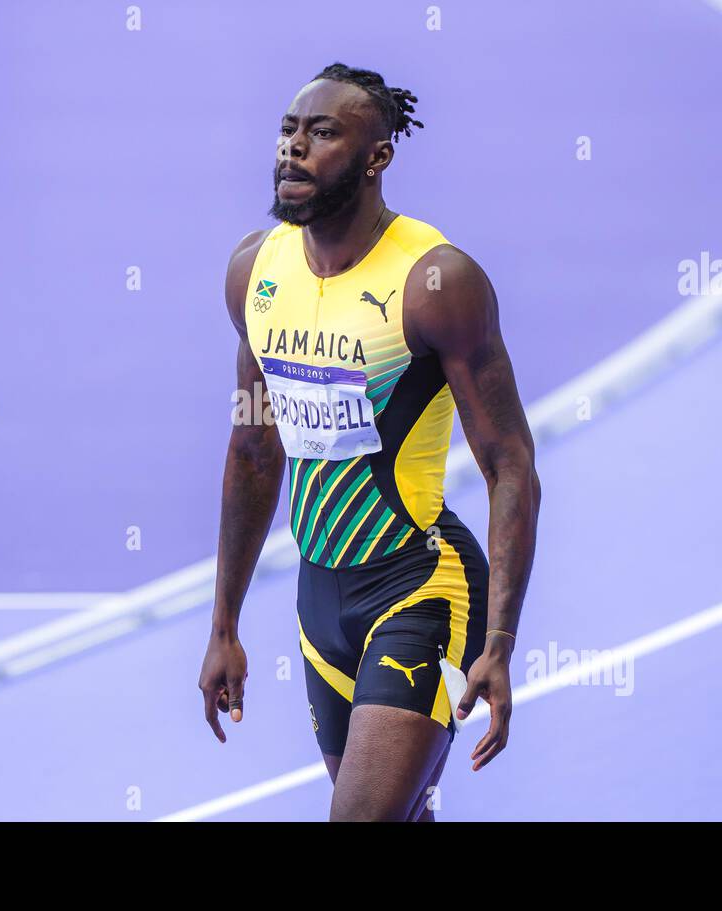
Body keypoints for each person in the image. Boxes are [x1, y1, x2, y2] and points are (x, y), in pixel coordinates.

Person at [199, 62, 541, 821]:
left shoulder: (436, 283)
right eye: (289, 130)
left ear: (377, 157)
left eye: (323, 134)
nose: (294, 148)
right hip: (319, 603)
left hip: (420, 589)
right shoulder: (254, 271)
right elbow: (255, 449)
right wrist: (224, 624)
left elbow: (510, 464)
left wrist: (501, 639)